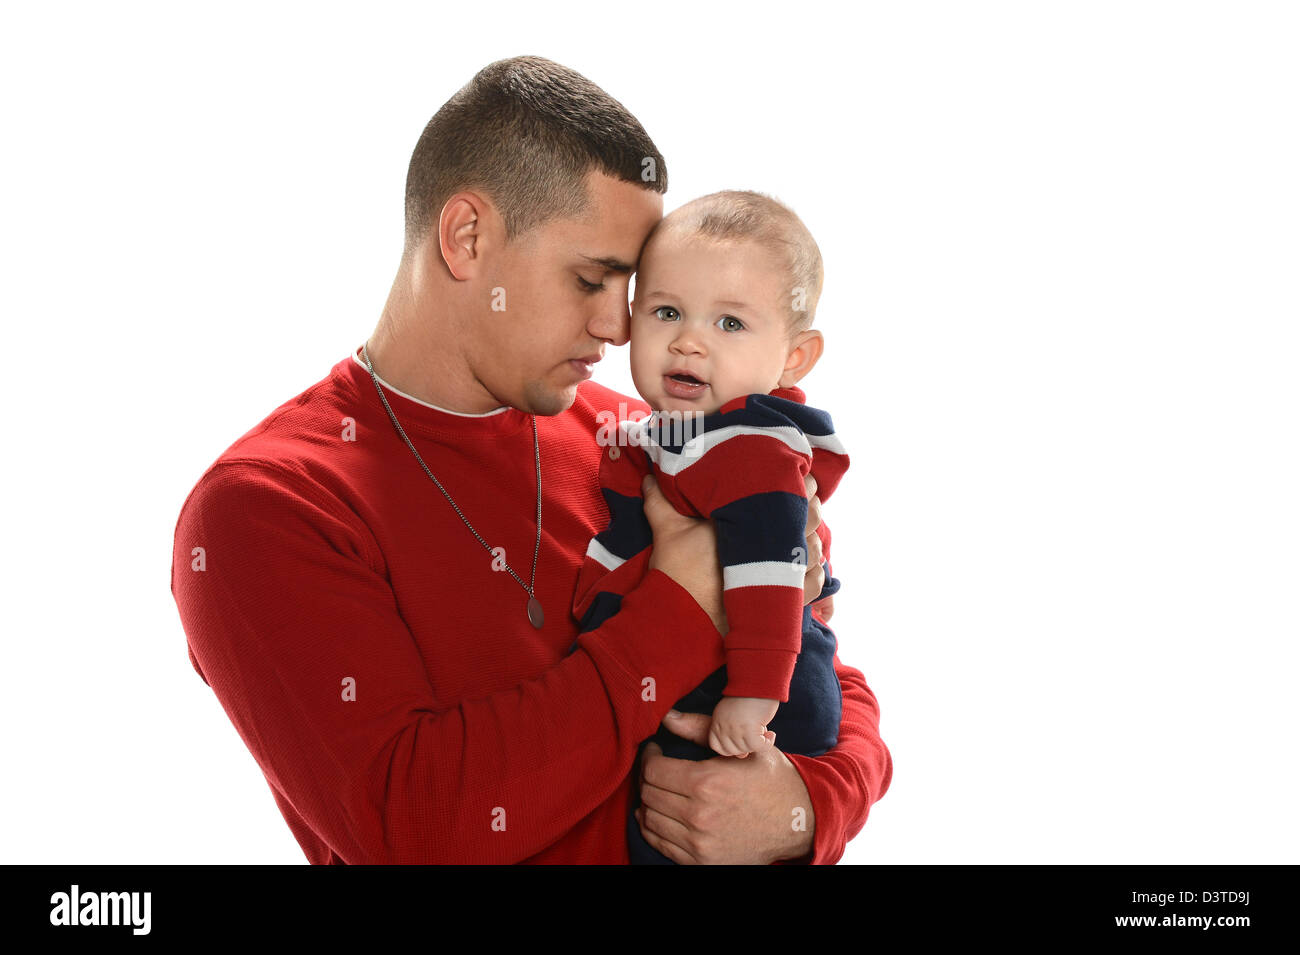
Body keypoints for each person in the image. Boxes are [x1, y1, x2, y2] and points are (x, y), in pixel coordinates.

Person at [170, 55, 892, 864]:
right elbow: (412, 826)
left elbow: (831, 667)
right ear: (467, 237)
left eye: (631, 291)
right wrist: (684, 608)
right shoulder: (265, 508)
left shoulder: (646, 437)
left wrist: (802, 809)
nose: (621, 330)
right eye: (591, 278)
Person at [572, 190, 856, 863]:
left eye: (730, 323)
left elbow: (770, 568)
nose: (689, 338)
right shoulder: (678, 435)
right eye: (666, 311)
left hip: (754, 691)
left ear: (794, 357)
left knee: (667, 827)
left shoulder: (749, 442)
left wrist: (754, 695)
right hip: (724, 676)